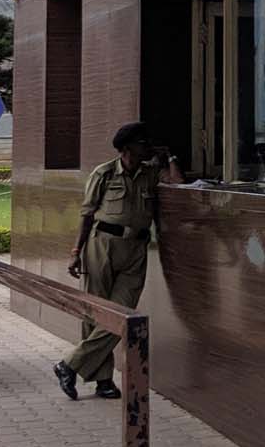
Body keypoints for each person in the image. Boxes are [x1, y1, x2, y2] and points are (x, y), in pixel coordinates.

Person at [54, 122, 184, 401]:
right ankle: (103, 381)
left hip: (136, 249)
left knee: (123, 313)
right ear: (127, 148)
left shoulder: (150, 173)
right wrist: (76, 252)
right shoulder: (104, 173)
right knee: (97, 312)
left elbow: (178, 183)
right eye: (142, 143)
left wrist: (169, 156)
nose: (148, 147)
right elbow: (86, 214)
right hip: (102, 244)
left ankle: (70, 365)